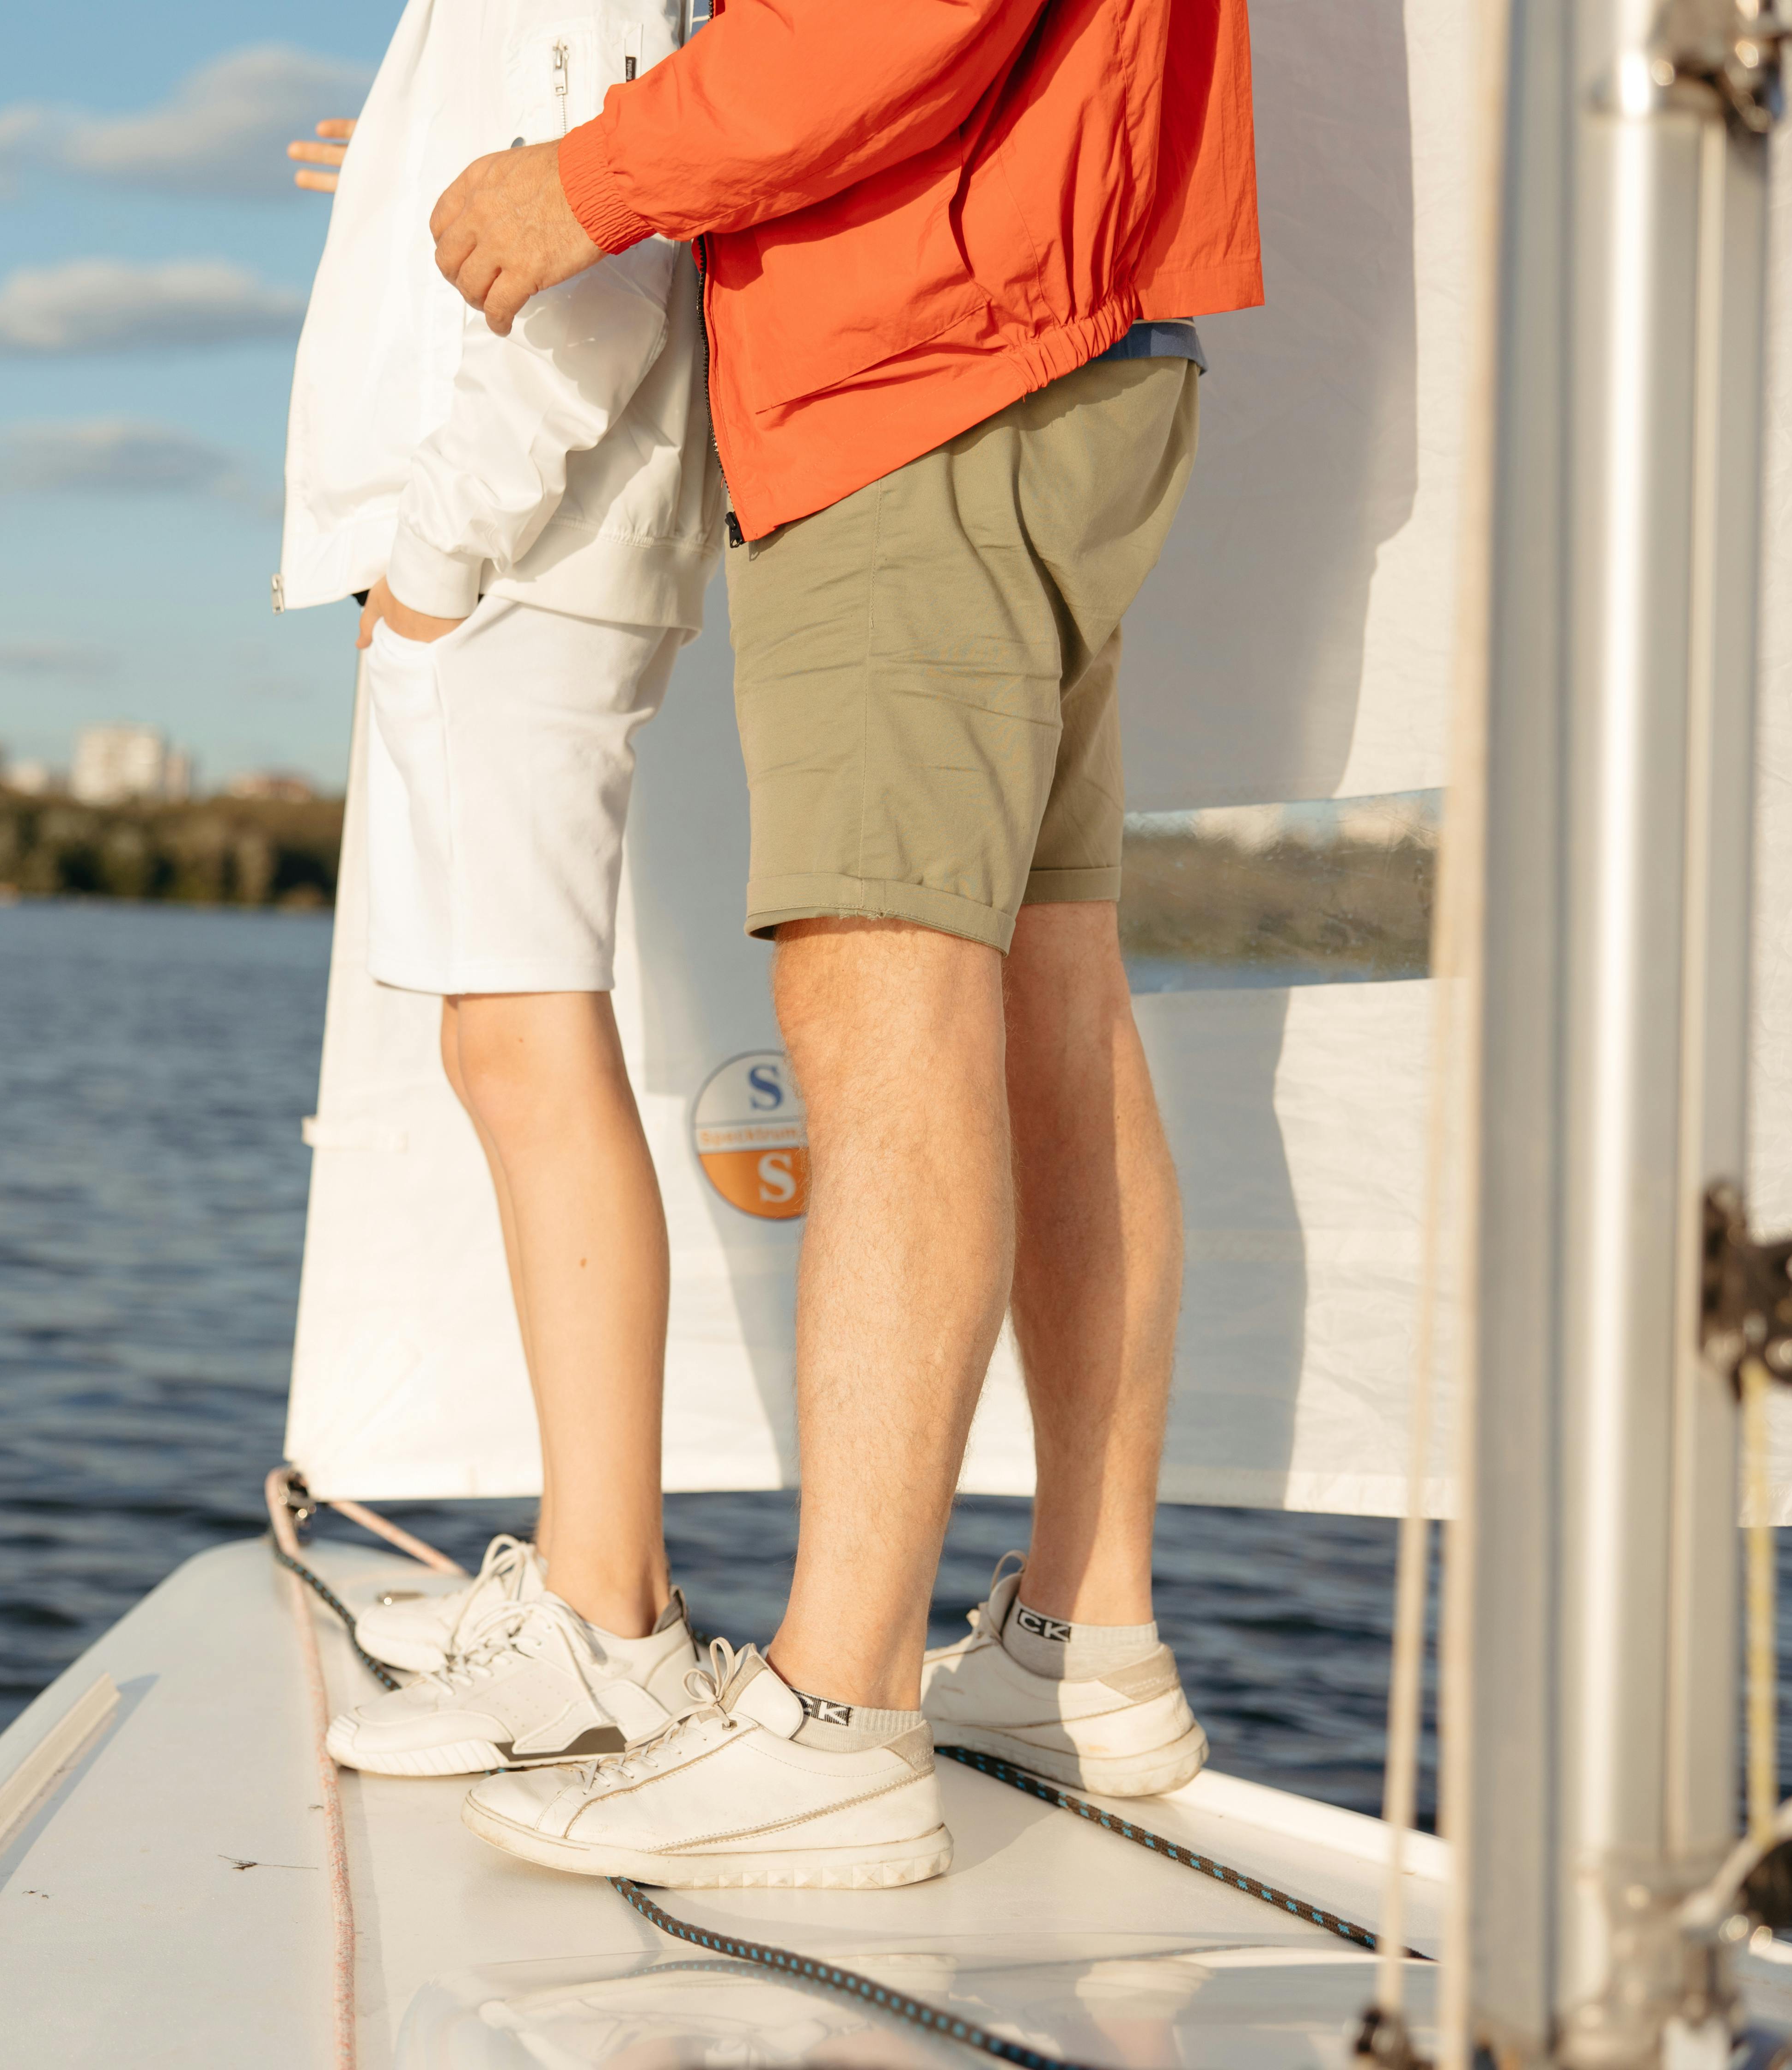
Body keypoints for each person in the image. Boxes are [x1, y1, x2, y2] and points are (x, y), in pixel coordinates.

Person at [408, 0, 1268, 1889]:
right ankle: (1083, 1640)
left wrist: (585, 180)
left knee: (884, 997)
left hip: (927, 341)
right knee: (1049, 991)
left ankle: (841, 1714)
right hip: (1062, 323)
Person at [274, 0, 725, 1778]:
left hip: (521, 557)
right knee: (504, 1046)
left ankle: (609, 1624)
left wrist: (438, 553)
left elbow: (612, 255)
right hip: (513, 559)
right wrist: (394, 166)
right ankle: (599, 1588)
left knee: (533, 1049)